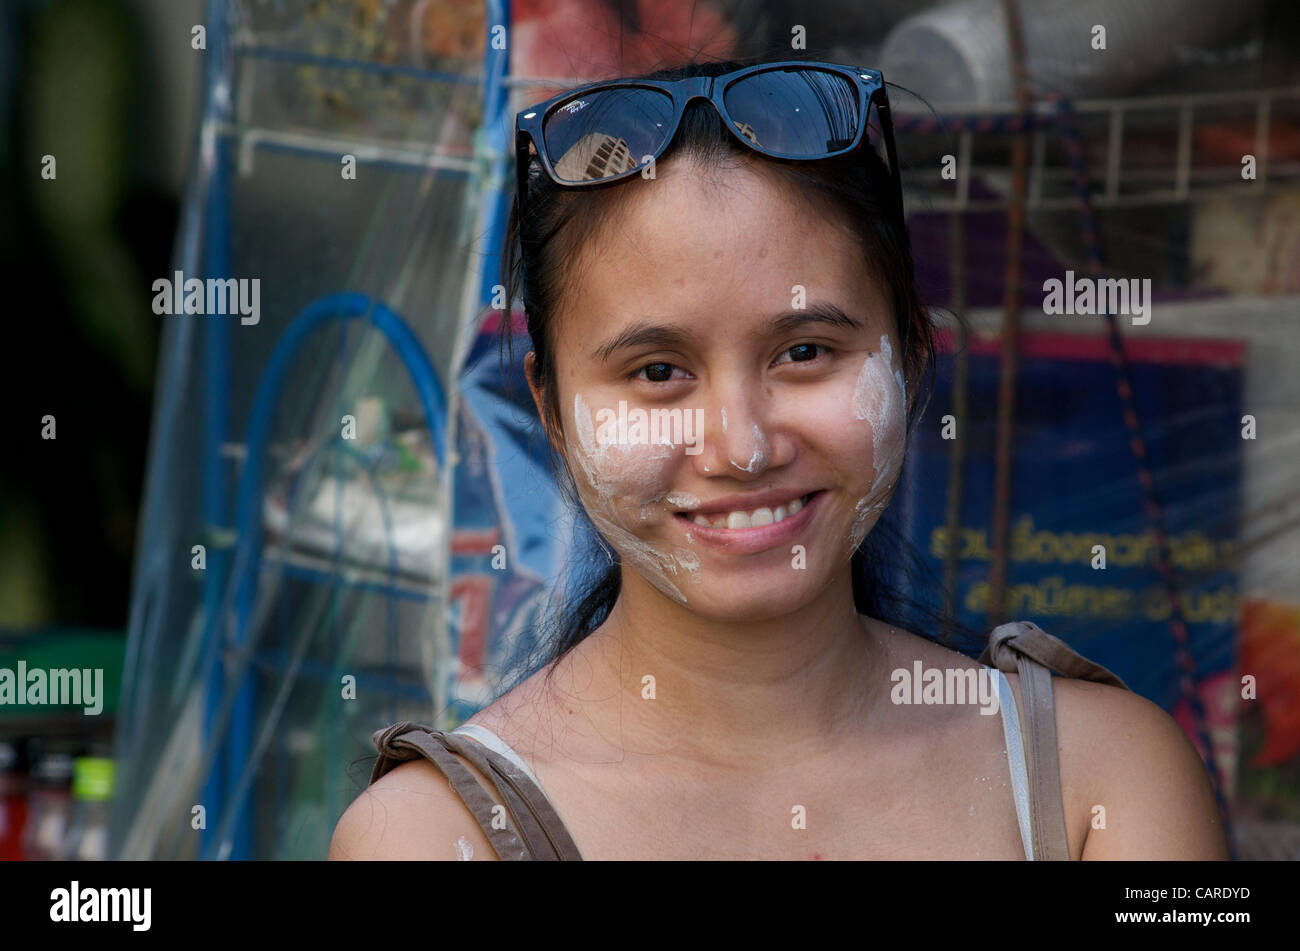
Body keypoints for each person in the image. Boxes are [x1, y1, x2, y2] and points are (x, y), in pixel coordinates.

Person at [330, 57, 1230, 860]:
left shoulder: (1102, 785)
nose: (743, 446)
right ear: (552, 410)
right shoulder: (427, 836)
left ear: (911, 358)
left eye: (804, 351)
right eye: (657, 371)